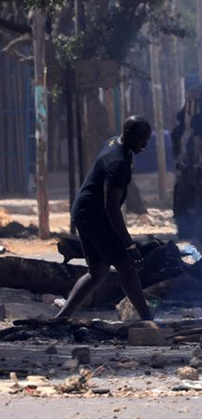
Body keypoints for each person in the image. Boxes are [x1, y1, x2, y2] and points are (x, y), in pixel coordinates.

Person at [56, 116, 154, 321]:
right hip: (94, 217)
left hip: (83, 211)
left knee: (98, 271)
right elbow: (111, 208)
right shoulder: (117, 162)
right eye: (141, 140)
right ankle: (148, 319)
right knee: (126, 266)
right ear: (128, 135)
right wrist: (129, 245)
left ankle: (61, 317)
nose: (145, 145)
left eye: (147, 139)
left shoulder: (113, 142)